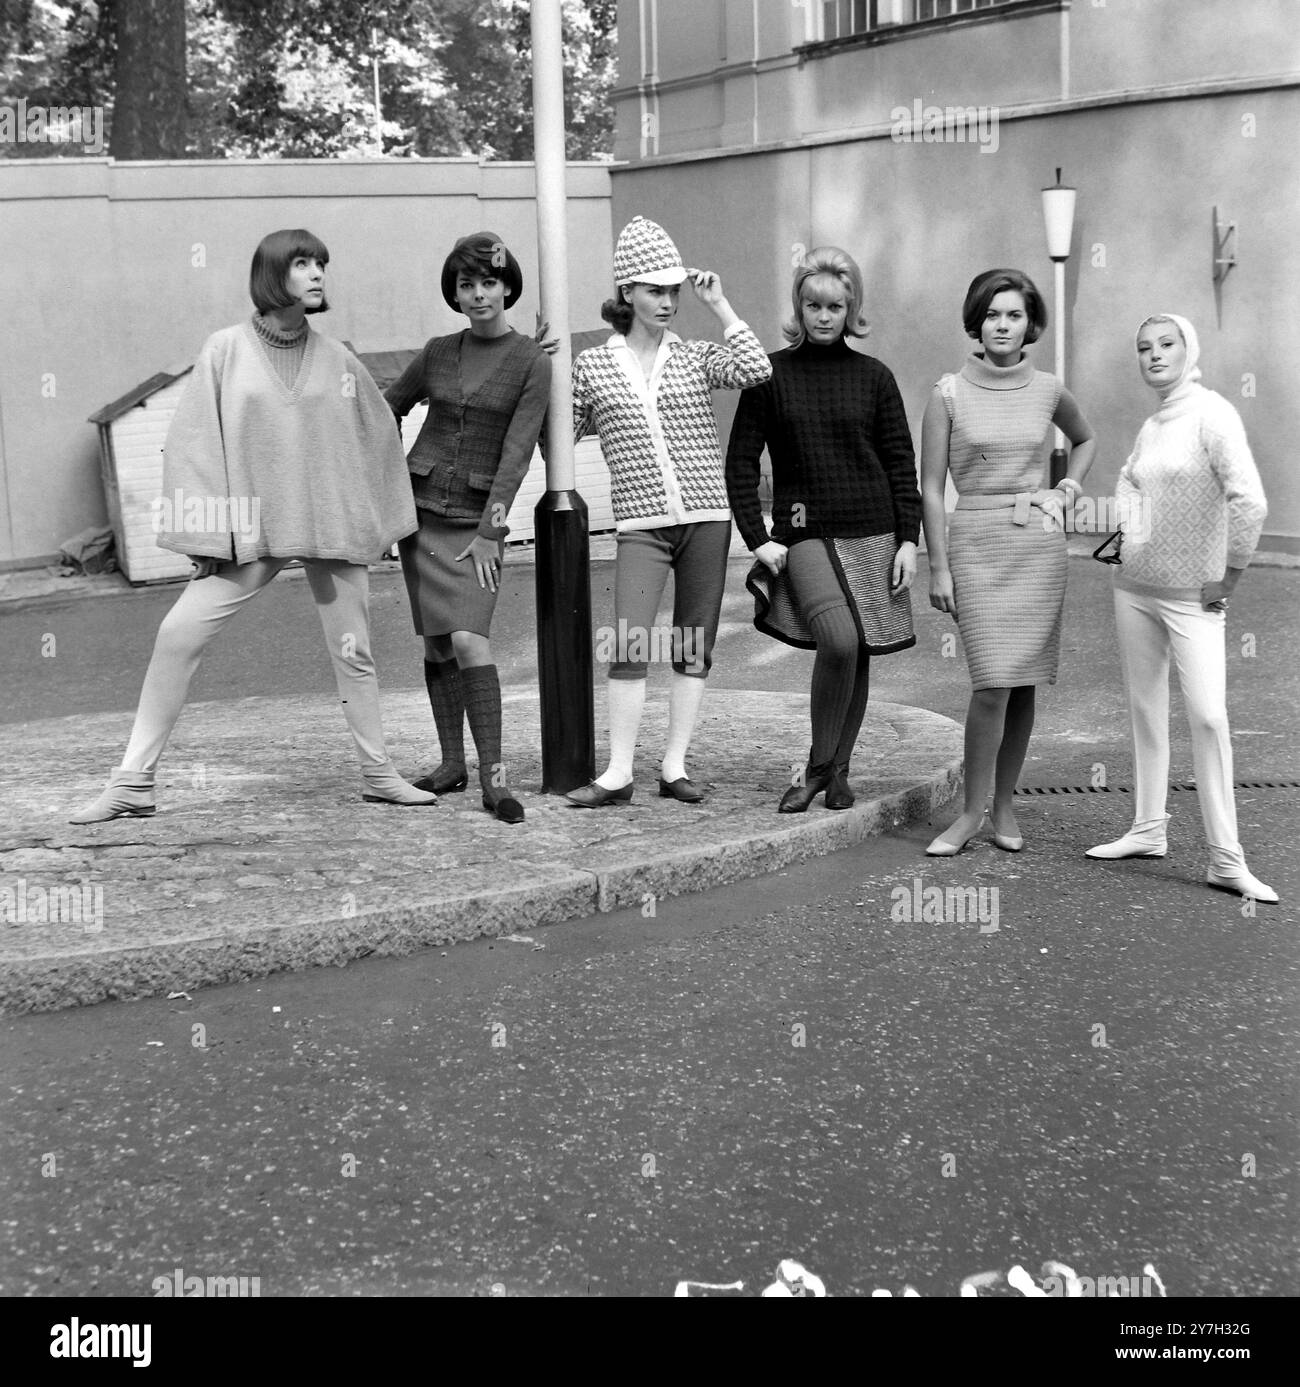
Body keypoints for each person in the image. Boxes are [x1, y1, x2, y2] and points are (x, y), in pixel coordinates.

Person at [69, 229, 436, 823]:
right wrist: (208, 534)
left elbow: (376, 436)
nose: (317, 273)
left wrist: (372, 522)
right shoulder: (224, 350)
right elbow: (194, 445)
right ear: (271, 274)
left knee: (355, 653)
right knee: (177, 635)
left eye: (321, 264)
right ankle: (132, 782)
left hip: (327, 525)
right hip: (250, 530)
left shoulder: (338, 357)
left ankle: (377, 775)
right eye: (302, 263)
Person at [565, 215, 772, 806]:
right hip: (641, 526)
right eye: (655, 290)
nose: (668, 301)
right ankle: (618, 773)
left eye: (673, 290)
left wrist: (720, 304)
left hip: (707, 519)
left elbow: (756, 369)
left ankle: (674, 766)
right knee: (630, 643)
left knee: (692, 645)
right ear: (627, 291)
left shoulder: (696, 356)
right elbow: (557, 440)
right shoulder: (593, 366)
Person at [1085, 314, 1275, 902]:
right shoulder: (1152, 425)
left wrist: (1230, 574)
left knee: (1209, 717)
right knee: (1145, 710)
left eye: (1166, 344)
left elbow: (1250, 501)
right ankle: (1148, 829)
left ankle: (1226, 859)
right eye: (1144, 347)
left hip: (1195, 597)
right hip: (1134, 590)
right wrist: (1133, 537)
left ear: (1188, 349)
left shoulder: (1214, 414)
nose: (1154, 355)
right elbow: (1129, 483)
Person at [726, 246, 921, 812]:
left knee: (858, 647)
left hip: (874, 531)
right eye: (813, 305)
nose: (823, 316)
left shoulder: (875, 377)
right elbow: (740, 463)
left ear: (850, 309)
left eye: (835, 306)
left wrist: (909, 541)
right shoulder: (769, 375)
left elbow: (899, 464)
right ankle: (816, 769)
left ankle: (838, 772)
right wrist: (757, 537)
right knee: (839, 639)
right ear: (800, 307)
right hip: (802, 530)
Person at [920, 267, 1096, 854]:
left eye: (1014, 315)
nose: (1003, 325)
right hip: (975, 545)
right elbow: (930, 488)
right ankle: (970, 813)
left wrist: (1066, 490)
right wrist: (938, 566)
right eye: (993, 314)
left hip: (1037, 546)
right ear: (977, 322)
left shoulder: (1048, 389)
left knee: (1022, 685)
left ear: (1029, 323)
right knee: (992, 683)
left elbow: (1086, 439)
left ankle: (1003, 806)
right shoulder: (948, 392)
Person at [385, 232, 552, 824]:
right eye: (467, 284)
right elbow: (387, 407)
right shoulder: (437, 352)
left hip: (477, 527)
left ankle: (495, 780)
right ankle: (451, 763)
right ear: (454, 293)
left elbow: (518, 454)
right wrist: (388, 487)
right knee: (436, 642)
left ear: (508, 288)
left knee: (468, 640)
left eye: (489, 282)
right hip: (420, 518)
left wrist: (491, 533)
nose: (479, 293)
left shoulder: (532, 361)